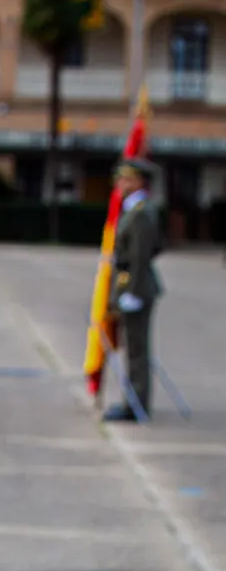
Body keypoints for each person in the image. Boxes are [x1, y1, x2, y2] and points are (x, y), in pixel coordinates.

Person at [103, 155, 163, 422]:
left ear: (138, 182)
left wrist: (133, 292)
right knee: (133, 348)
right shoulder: (135, 209)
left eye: (125, 178)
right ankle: (133, 399)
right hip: (131, 286)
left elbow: (141, 256)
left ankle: (136, 405)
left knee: (137, 350)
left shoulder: (141, 213)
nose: (119, 183)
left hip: (136, 290)